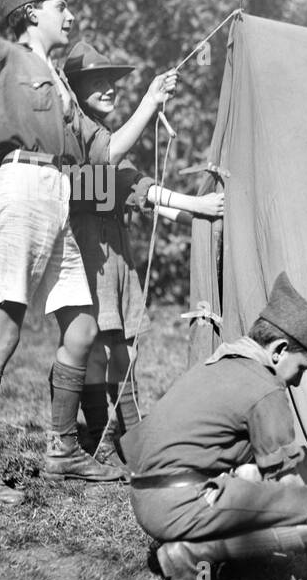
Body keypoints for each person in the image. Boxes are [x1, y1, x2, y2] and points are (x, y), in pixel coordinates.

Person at [0, 0, 175, 503]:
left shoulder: (63, 87)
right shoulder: (6, 57)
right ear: (29, 13)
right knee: (6, 329)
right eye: (60, 8)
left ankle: (63, 450)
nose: (70, 17)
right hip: (20, 186)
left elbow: (108, 150)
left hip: (59, 196)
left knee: (84, 326)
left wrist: (149, 101)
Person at [122, 272, 307, 580]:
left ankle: (200, 565)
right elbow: (287, 488)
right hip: (179, 504)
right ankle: (193, 554)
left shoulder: (219, 362)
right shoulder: (265, 387)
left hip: (146, 497)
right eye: (302, 367)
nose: (299, 381)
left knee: (250, 474)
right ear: (279, 350)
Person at [62, 40, 226, 463]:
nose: (109, 89)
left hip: (118, 255)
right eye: (97, 82)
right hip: (91, 253)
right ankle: (99, 434)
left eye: (112, 81)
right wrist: (151, 102)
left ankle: (132, 435)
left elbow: (141, 193)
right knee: (96, 347)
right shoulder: (75, 131)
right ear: (76, 91)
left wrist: (198, 216)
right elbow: (126, 184)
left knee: (126, 349)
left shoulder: (106, 138)